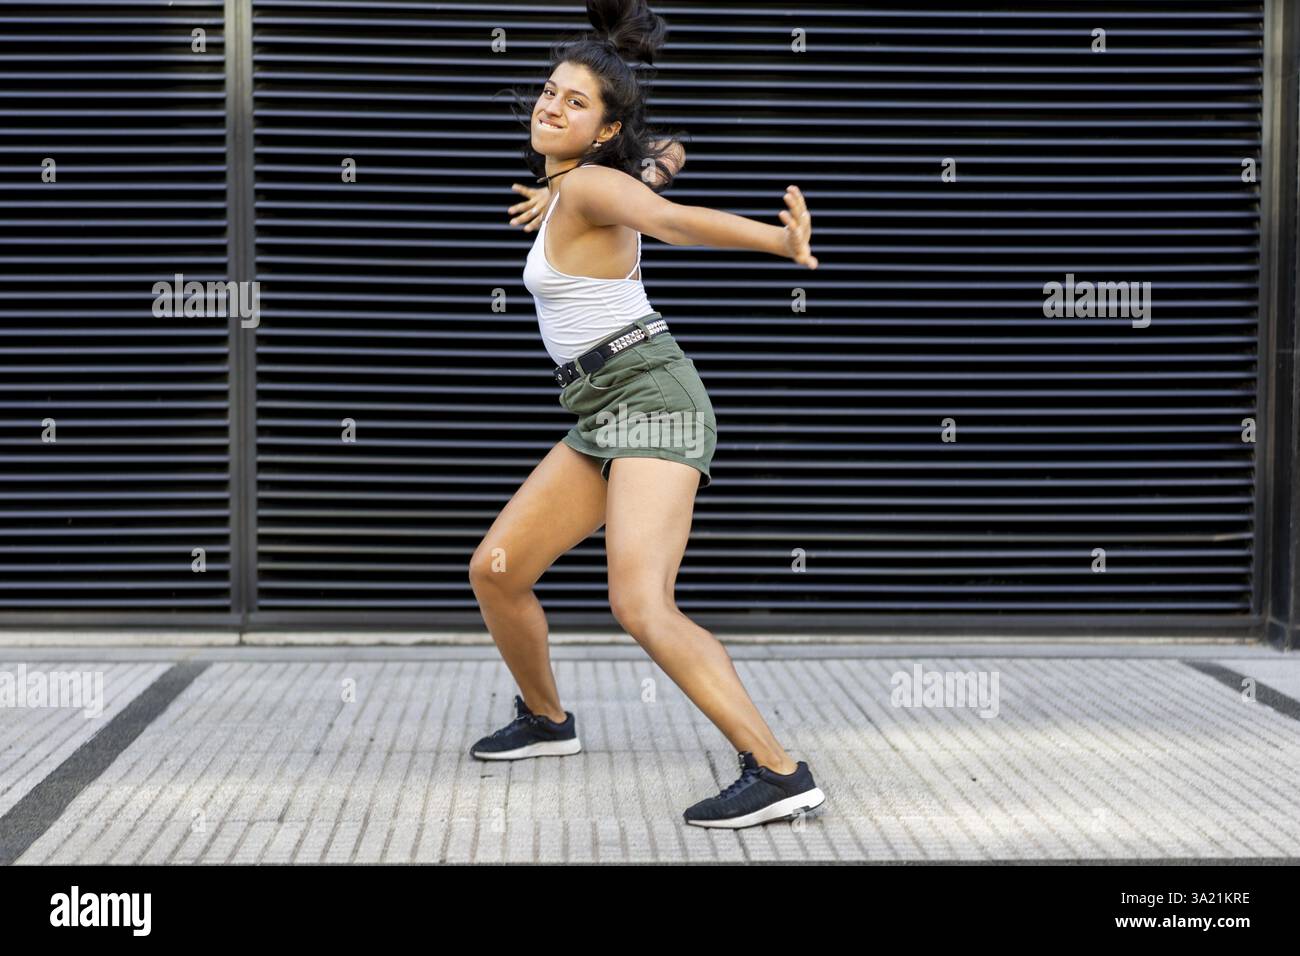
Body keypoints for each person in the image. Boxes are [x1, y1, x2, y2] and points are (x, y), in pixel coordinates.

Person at [468, 0, 823, 830]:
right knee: (498, 570)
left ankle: (777, 770)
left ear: (599, 134)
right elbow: (667, 155)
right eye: (549, 92)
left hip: (652, 398)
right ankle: (548, 720)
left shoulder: (590, 183)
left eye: (575, 102)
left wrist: (777, 243)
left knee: (640, 602)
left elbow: (664, 219)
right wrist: (602, 179)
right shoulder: (578, 185)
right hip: (601, 407)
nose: (550, 106)